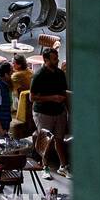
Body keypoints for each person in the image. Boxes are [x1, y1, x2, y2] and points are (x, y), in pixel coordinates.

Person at [31, 46, 71, 178]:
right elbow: (32, 97)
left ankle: (63, 166)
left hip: (59, 111)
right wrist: (52, 98)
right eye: (54, 59)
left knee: (59, 139)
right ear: (46, 60)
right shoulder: (39, 76)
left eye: (57, 58)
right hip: (43, 112)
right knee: (46, 140)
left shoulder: (60, 74)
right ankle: (45, 166)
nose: (57, 60)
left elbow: (64, 92)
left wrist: (68, 110)